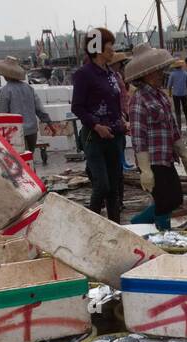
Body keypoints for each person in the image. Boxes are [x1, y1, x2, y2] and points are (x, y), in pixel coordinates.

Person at [127, 45, 187, 231]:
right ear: (147, 74)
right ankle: (154, 230)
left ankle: (142, 225)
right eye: (157, 71)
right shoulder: (139, 99)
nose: (160, 74)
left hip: (166, 157)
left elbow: (172, 128)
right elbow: (138, 136)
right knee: (165, 201)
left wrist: (184, 154)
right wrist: (145, 169)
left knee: (175, 198)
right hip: (152, 160)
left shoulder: (161, 97)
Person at [72, 28, 127, 221]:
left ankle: (115, 228)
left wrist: (122, 120)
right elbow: (77, 107)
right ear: (97, 47)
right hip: (94, 137)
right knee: (102, 184)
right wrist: (96, 126)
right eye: (110, 45)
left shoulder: (111, 73)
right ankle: (91, 222)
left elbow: (114, 103)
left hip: (115, 136)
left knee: (114, 188)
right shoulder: (83, 74)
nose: (113, 49)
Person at [0, 58, 50, 156]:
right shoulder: (29, 88)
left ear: (6, 75)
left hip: (17, 131)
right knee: (30, 156)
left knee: (21, 159)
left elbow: (3, 114)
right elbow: (39, 108)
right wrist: (48, 122)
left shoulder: (5, 91)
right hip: (32, 130)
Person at [169, 60, 187, 130]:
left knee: (177, 109)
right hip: (184, 93)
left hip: (176, 94)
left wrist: (170, 93)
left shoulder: (172, 74)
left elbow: (169, 85)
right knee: (185, 108)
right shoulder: (185, 73)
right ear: (181, 66)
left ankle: (179, 126)